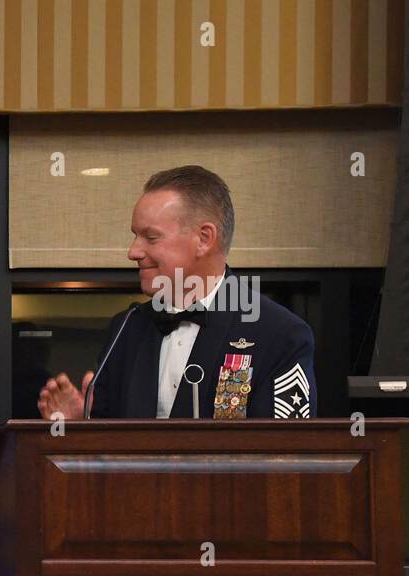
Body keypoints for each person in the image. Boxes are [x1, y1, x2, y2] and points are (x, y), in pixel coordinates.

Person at [38, 165, 316, 420]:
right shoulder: (126, 328)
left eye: (151, 237)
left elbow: (288, 456)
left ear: (204, 239)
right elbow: (107, 452)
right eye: (135, 236)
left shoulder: (279, 334)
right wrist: (79, 426)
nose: (133, 251)